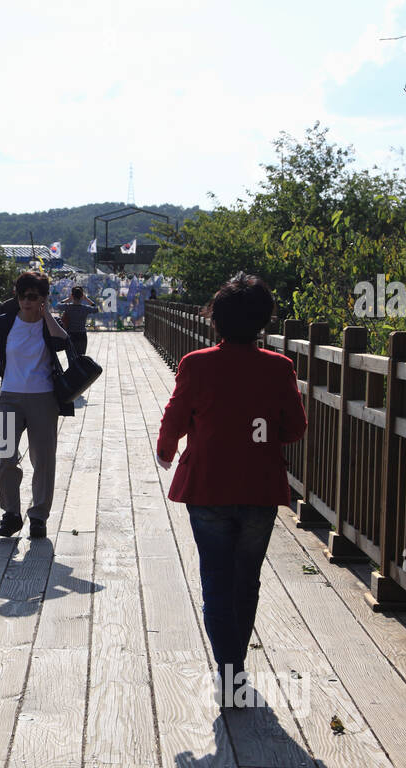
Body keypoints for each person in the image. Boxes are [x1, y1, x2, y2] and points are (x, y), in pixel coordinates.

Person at [156, 273, 307, 708]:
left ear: (216, 320)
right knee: (247, 581)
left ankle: (229, 671)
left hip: (207, 488)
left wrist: (167, 449)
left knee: (216, 580)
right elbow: (294, 428)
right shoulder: (279, 368)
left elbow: (177, 414)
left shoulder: (197, 363)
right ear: (263, 322)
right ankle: (235, 664)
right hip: (259, 487)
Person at [0, 271, 71, 539]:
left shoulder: (50, 324)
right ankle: (11, 514)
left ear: (42, 298)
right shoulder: (6, 322)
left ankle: (38, 516)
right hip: (9, 397)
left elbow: (62, 342)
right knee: (5, 455)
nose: (26, 301)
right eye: (22, 295)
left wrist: (46, 312)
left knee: (44, 460)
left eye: (33, 296)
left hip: (43, 398)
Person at [55, 285, 97, 358]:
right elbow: (96, 309)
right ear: (82, 297)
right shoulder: (85, 308)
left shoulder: (67, 307)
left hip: (70, 335)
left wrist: (68, 299)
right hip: (81, 335)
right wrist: (87, 299)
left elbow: (58, 305)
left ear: (72, 296)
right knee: (81, 358)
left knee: (71, 359)